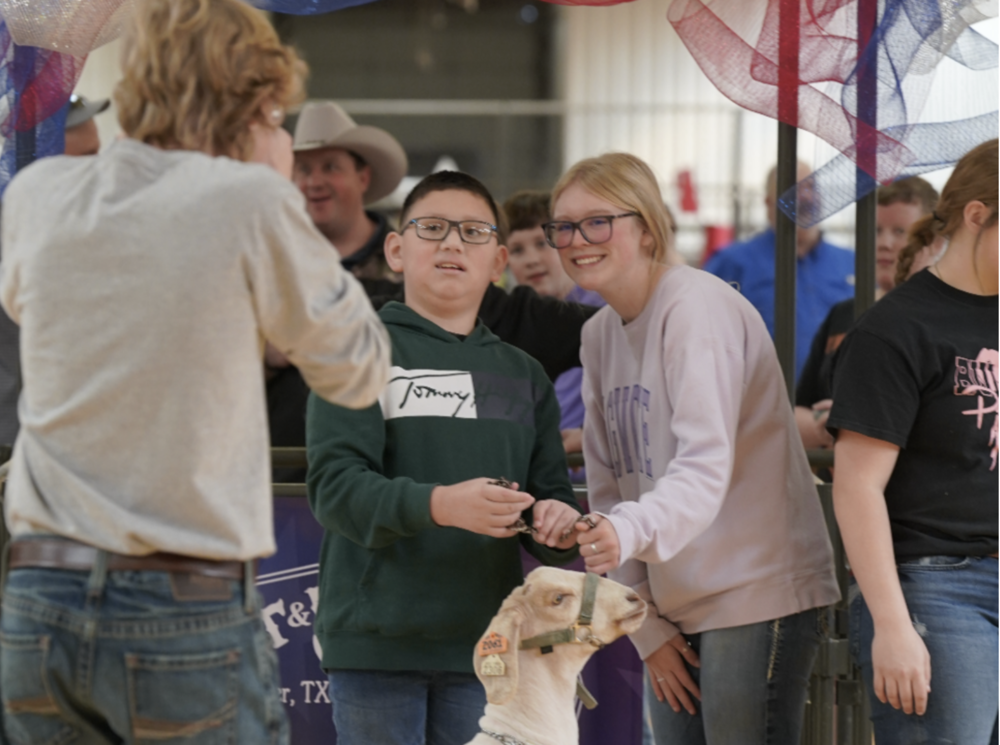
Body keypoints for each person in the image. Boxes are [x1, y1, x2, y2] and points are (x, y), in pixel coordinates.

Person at [0, 1, 390, 743]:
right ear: (252, 104)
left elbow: (23, 305)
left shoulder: (37, 194)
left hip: (38, 590)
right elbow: (359, 371)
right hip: (179, 597)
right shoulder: (249, 199)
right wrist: (275, 185)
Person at [554, 153, 839, 745]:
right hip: (675, 602)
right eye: (564, 226)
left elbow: (705, 466)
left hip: (754, 587)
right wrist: (642, 622)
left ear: (648, 227)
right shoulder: (598, 333)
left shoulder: (694, 304)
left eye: (597, 221)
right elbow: (609, 486)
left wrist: (626, 532)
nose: (577, 240)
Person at [306, 170, 583, 745]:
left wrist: (556, 522)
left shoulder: (523, 374)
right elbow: (335, 489)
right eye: (432, 228)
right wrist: (439, 505)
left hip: (486, 648)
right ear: (397, 250)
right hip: (376, 644)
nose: (453, 243)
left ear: (498, 259)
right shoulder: (356, 352)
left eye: (473, 232)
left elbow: (547, 497)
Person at [828, 139, 998, 744]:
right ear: (977, 216)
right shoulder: (895, 328)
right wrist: (893, 624)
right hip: (936, 586)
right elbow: (856, 487)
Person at [0, 92, 114, 449]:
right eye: (85, 158)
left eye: (99, 154)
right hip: (17, 447)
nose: (99, 171)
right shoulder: (18, 232)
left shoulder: (96, 231)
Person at [795, 176, 939, 451]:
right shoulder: (844, 314)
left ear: (935, 240)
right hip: (836, 484)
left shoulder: (946, 319)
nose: (884, 243)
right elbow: (795, 414)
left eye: (899, 231)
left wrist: (853, 422)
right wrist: (825, 422)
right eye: (875, 229)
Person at [704, 161, 855, 380]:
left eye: (811, 187)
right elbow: (707, 336)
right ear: (768, 203)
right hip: (762, 406)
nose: (805, 197)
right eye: (793, 189)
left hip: (838, 401)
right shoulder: (733, 264)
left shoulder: (850, 262)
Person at [503, 189, 606, 456]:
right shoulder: (508, 324)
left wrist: (591, 437)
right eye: (517, 250)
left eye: (541, 243)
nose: (531, 260)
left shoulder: (604, 311)